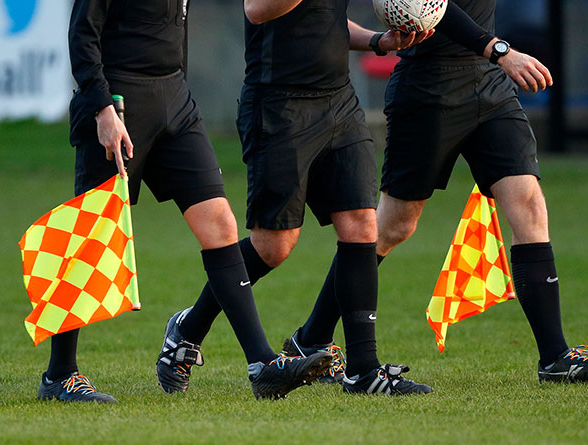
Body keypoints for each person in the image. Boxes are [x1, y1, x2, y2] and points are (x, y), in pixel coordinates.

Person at [38, 0, 332, 403]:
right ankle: (59, 376)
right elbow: (82, 34)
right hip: (120, 100)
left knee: (221, 225)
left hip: (176, 99)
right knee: (89, 235)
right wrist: (102, 108)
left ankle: (262, 365)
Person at [162, 0, 435, 396]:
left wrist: (378, 41)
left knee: (362, 224)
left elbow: (327, 20)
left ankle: (364, 370)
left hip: (338, 102)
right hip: (279, 106)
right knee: (273, 247)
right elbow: (256, 9)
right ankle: (187, 329)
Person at [373, 0, 588, 383]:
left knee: (528, 203)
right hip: (430, 88)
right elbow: (431, 6)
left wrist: (494, 57)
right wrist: (500, 50)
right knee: (392, 228)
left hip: (489, 87)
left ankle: (556, 358)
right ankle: (312, 338)